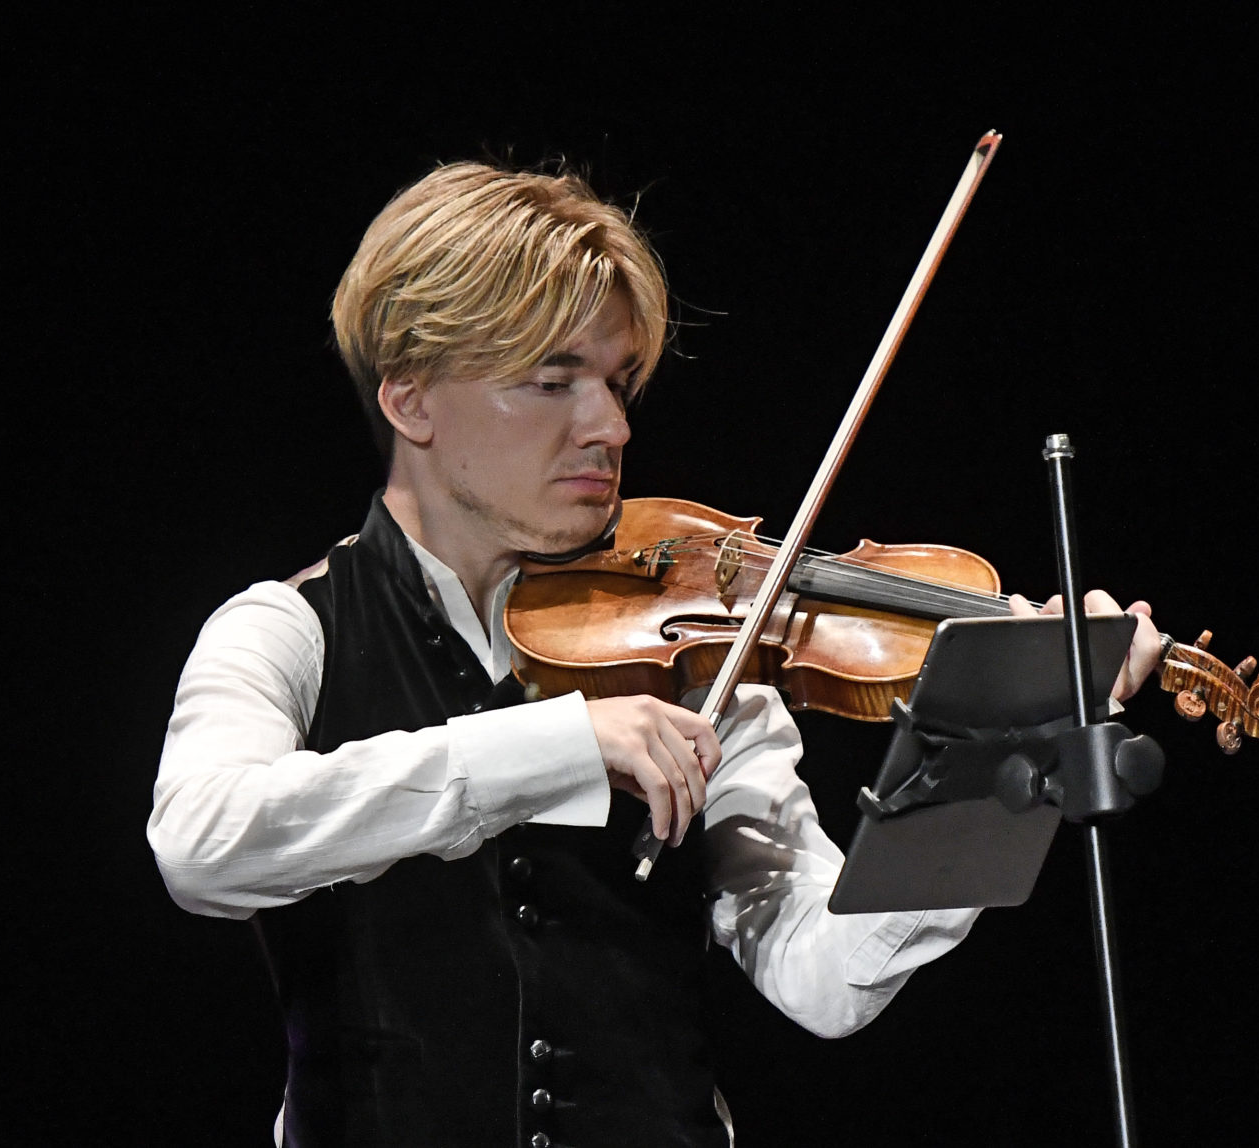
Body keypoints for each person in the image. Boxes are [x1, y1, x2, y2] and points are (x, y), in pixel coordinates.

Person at [148, 160, 1163, 1147]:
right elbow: (202, 841)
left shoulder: (692, 649)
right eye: (552, 380)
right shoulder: (288, 629)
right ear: (411, 400)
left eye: (617, 382)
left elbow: (823, 972)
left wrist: (1002, 736)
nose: (610, 426)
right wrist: (563, 743)